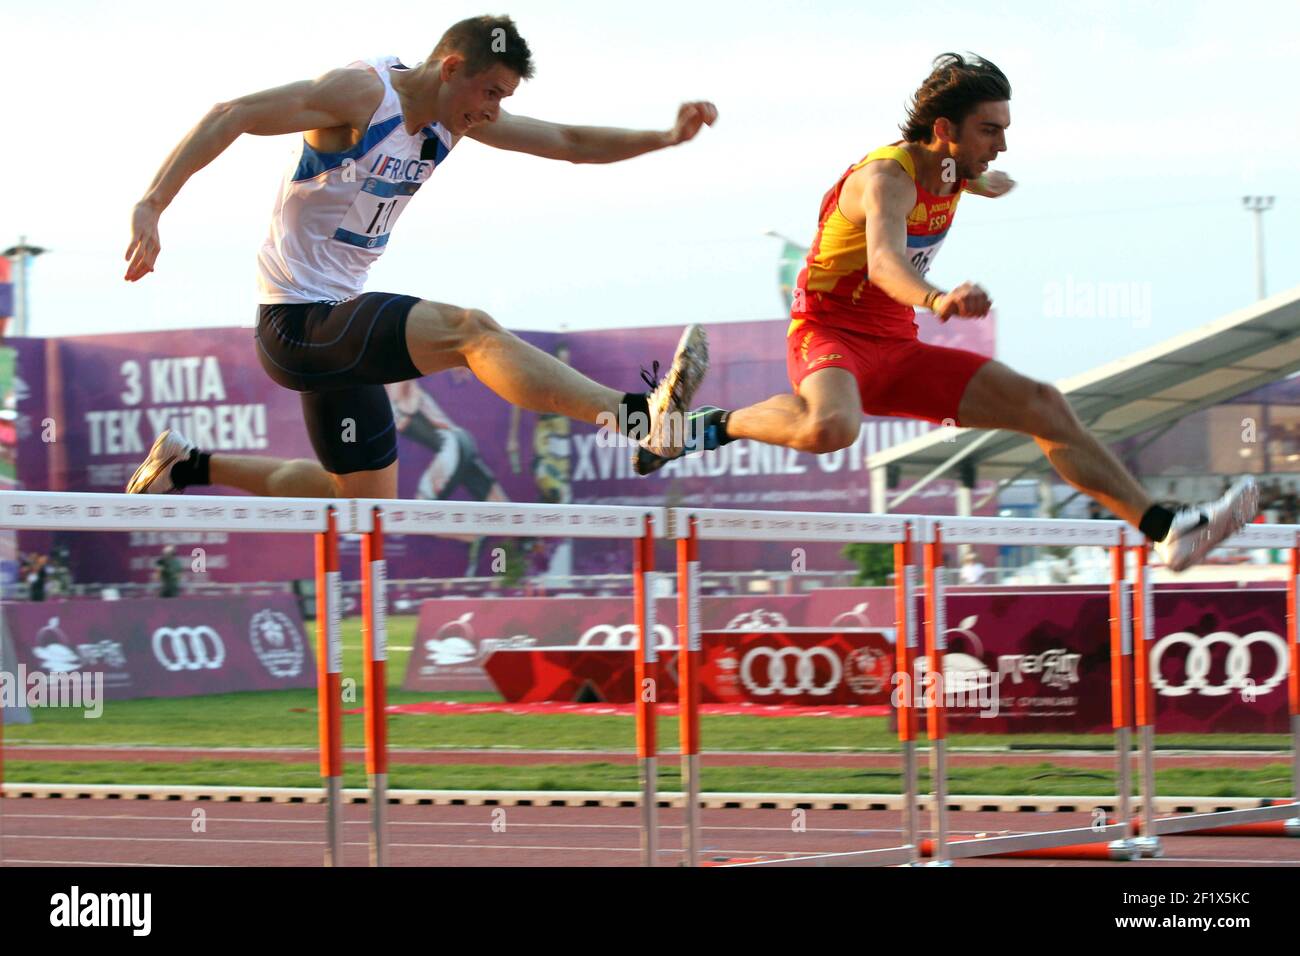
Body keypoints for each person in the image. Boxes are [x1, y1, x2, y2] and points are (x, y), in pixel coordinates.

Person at [634, 52, 1256, 572]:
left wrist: (988, 181)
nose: (1003, 144)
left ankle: (1165, 528)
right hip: (830, 332)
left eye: (1005, 129)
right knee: (831, 429)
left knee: (1043, 405)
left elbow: (971, 179)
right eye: (991, 129)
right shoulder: (886, 179)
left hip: (897, 347)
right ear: (943, 130)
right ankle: (697, 428)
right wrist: (940, 298)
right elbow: (882, 263)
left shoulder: (956, 169)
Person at [123, 15, 712, 503]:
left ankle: (187, 465)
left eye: (503, 100)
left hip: (333, 331)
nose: (491, 111)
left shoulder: (456, 120)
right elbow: (234, 114)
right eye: (490, 93)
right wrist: (152, 205)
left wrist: (664, 137)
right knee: (471, 330)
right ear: (451, 68)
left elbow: (570, 144)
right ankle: (636, 418)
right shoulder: (362, 94)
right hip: (295, 321)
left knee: (361, 502)